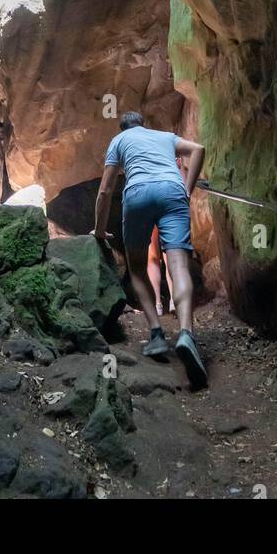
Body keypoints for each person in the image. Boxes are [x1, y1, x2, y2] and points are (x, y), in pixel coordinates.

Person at [93, 111, 208, 389]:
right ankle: (186, 334)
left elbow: (105, 190)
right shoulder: (165, 136)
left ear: (123, 127)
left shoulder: (119, 141)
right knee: (179, 265)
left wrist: (99, 230)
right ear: (143, 124)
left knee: (136, 266)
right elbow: (198, 149)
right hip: (172, 190)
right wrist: (187, 189)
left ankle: (156, 334)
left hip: (138, 194)